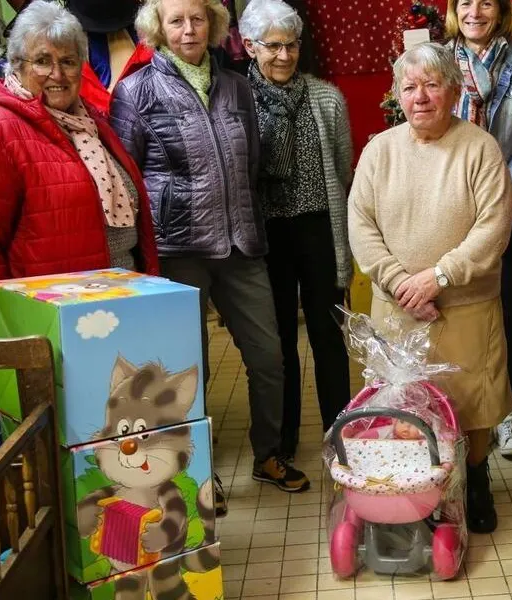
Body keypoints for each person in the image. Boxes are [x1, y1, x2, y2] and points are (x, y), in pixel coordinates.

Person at [111, 0, 310, 494]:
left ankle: (268, 454)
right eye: (176, 20)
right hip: (178, 250)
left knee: (270, 357)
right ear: (158, 28)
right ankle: (194, 474)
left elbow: (251, 163)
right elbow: (126, 174)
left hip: (242, 244)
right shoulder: (135, 92)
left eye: (198, 18)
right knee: (184, 370)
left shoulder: (237, 86)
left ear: (215, 25)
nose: (188, 29)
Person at [348, 42, 512, 534]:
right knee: (402, 404)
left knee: (472, 401)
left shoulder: (480, 148)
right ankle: (411, 486)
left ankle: (477, 477)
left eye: (432, 85)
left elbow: (494, 227)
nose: (420, 97)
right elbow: (361, 224)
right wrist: (401, 282)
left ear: (454, 90)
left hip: (464, 304)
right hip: (396, 308)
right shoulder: (380, 150)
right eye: (409, 87)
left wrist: (438, 277)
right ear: (397, 95)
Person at [0, 0, 159, 338]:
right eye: (42, 61)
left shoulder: (91, 123)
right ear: (15, 64)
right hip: (46, 329)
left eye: (68, 61)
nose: (57, 74)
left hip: (113, 313)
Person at [239, 0, 354, 460]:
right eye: (272, 46)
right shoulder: (236, 98)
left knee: (328, 335)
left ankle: (339, 432)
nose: (283, 56)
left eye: (291, 45)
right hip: (265, 237)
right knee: (278, 339)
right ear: (250, 47)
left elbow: (342, 169)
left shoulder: (326, 97)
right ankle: (282, 441)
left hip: (319, 229)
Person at [445, 0, 512, 457]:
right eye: (465, 2)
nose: (475, 11)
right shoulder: (438, 60)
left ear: (501, 9)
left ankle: (507, 415)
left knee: (506, 316)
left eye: (485, 1)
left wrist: (496, 190)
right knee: (455, 315)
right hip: (448, 213)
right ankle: (454, 414)